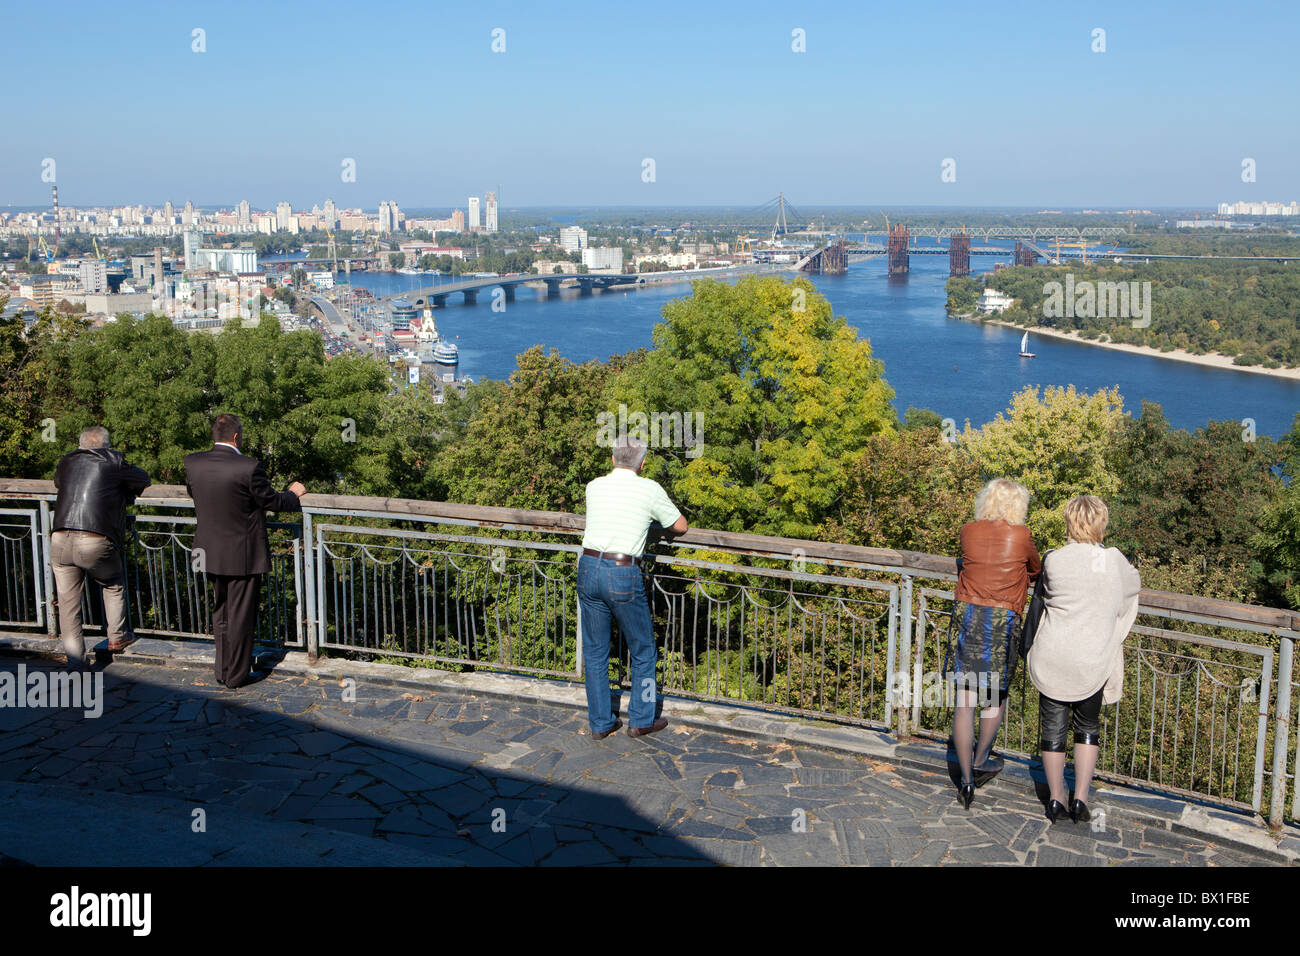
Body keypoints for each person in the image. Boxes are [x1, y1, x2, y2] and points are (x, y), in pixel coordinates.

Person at [1027, 495, 1140, 823]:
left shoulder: (1053, 559)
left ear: (1069, 523)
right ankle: (1080, 798)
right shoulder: (1115, 561)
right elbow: (1131, 595)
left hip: (1052, 654)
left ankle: (1055, 798)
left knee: (1052, 727)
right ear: (1100, 524)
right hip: (1092, 657)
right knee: (1087, 726)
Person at [578, 434, 688, 738]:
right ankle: (641, 718)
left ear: (613, 459)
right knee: (643, 650)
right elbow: (680, 526)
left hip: (588, 567)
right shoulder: (649, 489)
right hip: (622, 572)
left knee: (596, 650)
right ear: (642, 463)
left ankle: (601, 723)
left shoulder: (594, 487)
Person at [184, 414, 305, 689]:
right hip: (243, 553)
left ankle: (223, 670)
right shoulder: (249, 467)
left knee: (221, 611)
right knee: (240, 615)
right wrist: (293, 494)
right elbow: (270, 500)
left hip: (208, 550)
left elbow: (195, 493)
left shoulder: (193, 462)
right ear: (236, 437)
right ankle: (236, 676)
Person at [942, 478, 1041, 809]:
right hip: (1001, 621)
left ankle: (966, 782)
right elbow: (1036, 569)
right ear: (1018, 506)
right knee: (993, 696)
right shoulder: (1022, 536)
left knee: (965, 700)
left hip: (968, 615)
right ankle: (981, 760)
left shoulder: (969, 530)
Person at [51, 426, 151, 669]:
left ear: (80, 445)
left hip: (60, 537)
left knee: (67, 603)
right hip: (94, 538)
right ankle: (117, 637)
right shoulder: (113, 460)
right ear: (105, 446)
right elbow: (143, 478)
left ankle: (76, 662)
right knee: (113, 583)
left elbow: (58, 483)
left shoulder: (67, 461)